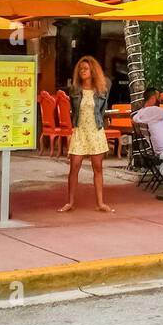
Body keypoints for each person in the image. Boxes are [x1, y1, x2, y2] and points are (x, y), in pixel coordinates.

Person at [60, 56, 114, 213]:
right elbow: (73, 112)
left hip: (95, 131)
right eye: (80, 68)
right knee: (74, 167)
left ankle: (100, 203)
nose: (82, 71)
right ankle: (70, 202)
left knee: (98, 168)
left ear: (93, 71)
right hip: (80, 131)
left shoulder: (101, 91)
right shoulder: (75, 90)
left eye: (86, 68)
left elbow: (102, 111)